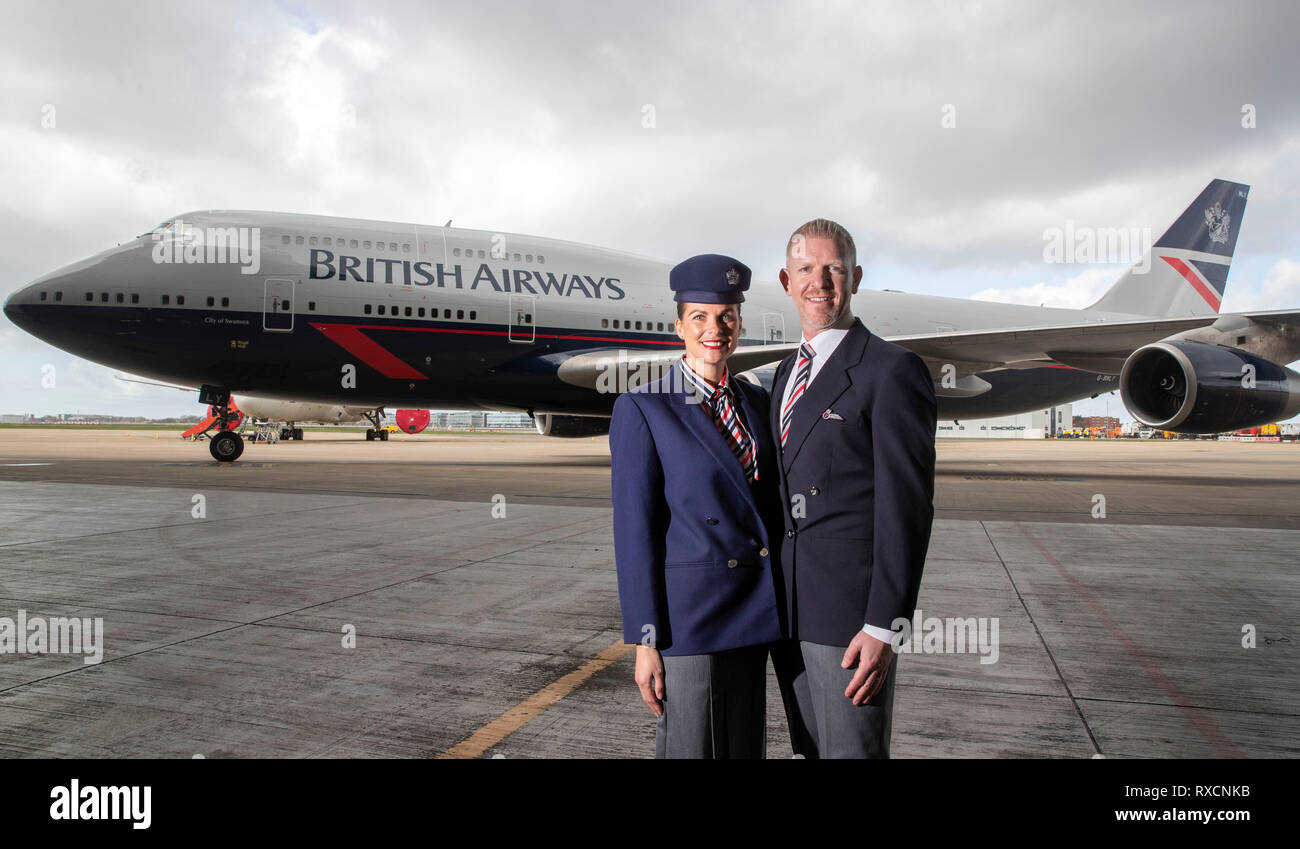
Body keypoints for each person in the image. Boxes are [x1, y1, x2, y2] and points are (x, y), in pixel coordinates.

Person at [768, 219, 937, 758]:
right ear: (786, 281)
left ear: (856, 277)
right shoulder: (783, 376)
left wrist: (885, 626)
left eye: (834, 269)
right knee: (811, 751)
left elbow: (906, 509)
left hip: (849, 623)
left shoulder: (891, 370)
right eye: (806, 270)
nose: (821, 282)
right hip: (787, 616)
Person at [610, 253, 786, 758]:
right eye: (701, 318)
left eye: (727, 317)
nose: (716, 329)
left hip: (755, 612)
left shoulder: (755, 404)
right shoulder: (645, 408)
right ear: (679, 327)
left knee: (743, 746)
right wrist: (645, 640)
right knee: (692, 747)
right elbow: (635, 532)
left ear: (739, 324)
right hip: (691, 621)